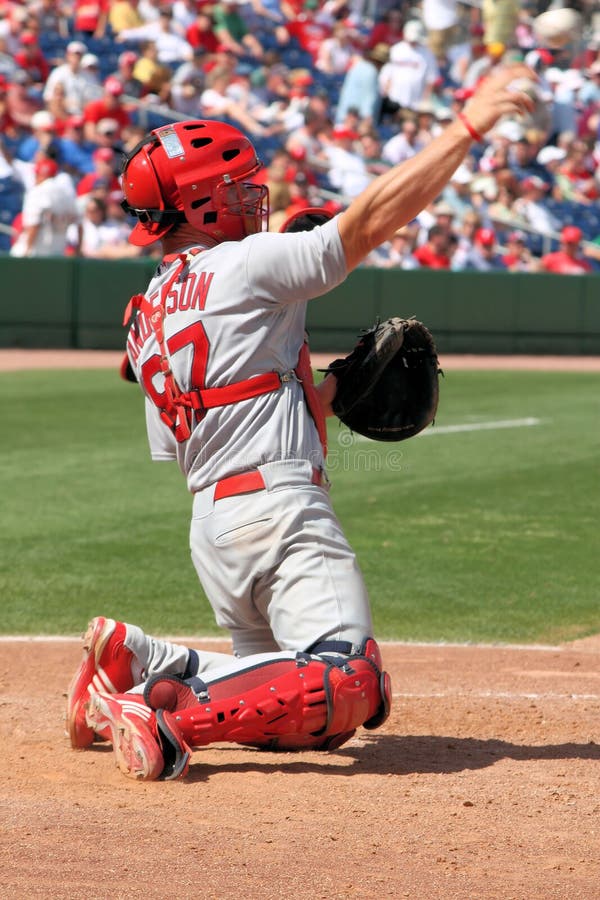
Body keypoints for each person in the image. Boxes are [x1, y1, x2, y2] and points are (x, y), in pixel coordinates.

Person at [66, 64, 535, 781]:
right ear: (198, 204)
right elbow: (372, 220)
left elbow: (222, 413)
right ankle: (167, 720)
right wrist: (466, 128)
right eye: (235, 189)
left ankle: (143, 667)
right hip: (279, 510)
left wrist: (332, 385)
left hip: (215, 528)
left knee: (303, 716)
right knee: (349, 681)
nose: (254, 197)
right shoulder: (245, 265)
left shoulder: (149, 310)